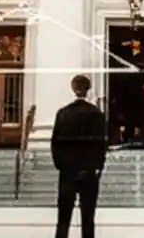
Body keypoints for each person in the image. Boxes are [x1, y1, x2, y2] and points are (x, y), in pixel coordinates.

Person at [51, 74, 107, 238]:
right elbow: (101, 144)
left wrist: (60, 164)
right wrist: (98, 166)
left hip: (68, 170)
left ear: (73, 88)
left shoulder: (63, 113)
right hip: (89, 171)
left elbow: (55, 142)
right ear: (88, 90)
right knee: (88, 217)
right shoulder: (97, 114)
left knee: (63, 217)